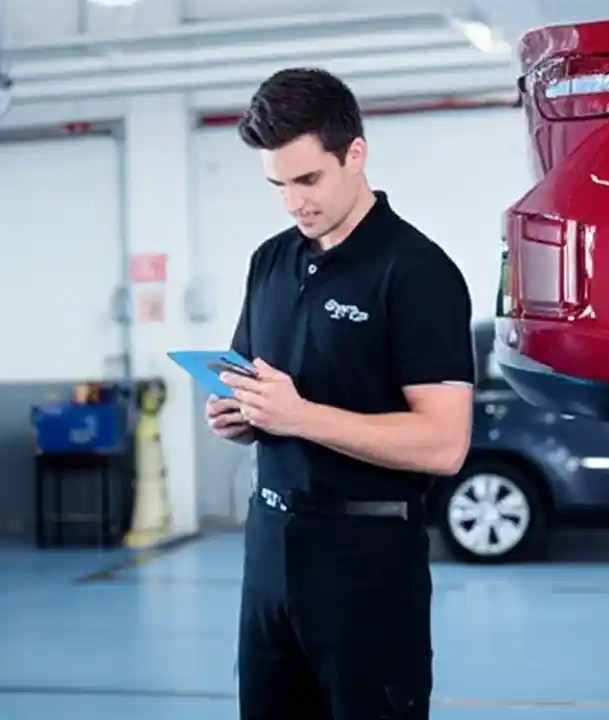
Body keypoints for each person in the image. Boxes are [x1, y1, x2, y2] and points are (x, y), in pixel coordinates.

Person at [205, 67, 475, 720]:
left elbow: (444, 444)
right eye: (278, 185)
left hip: (368, 564)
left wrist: (301, 417)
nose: (294, 202)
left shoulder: (417, 273)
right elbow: (259, 383)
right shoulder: (270, 261)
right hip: (269, 545)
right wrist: (244, 414)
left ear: (355, 155)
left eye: (308, 180)